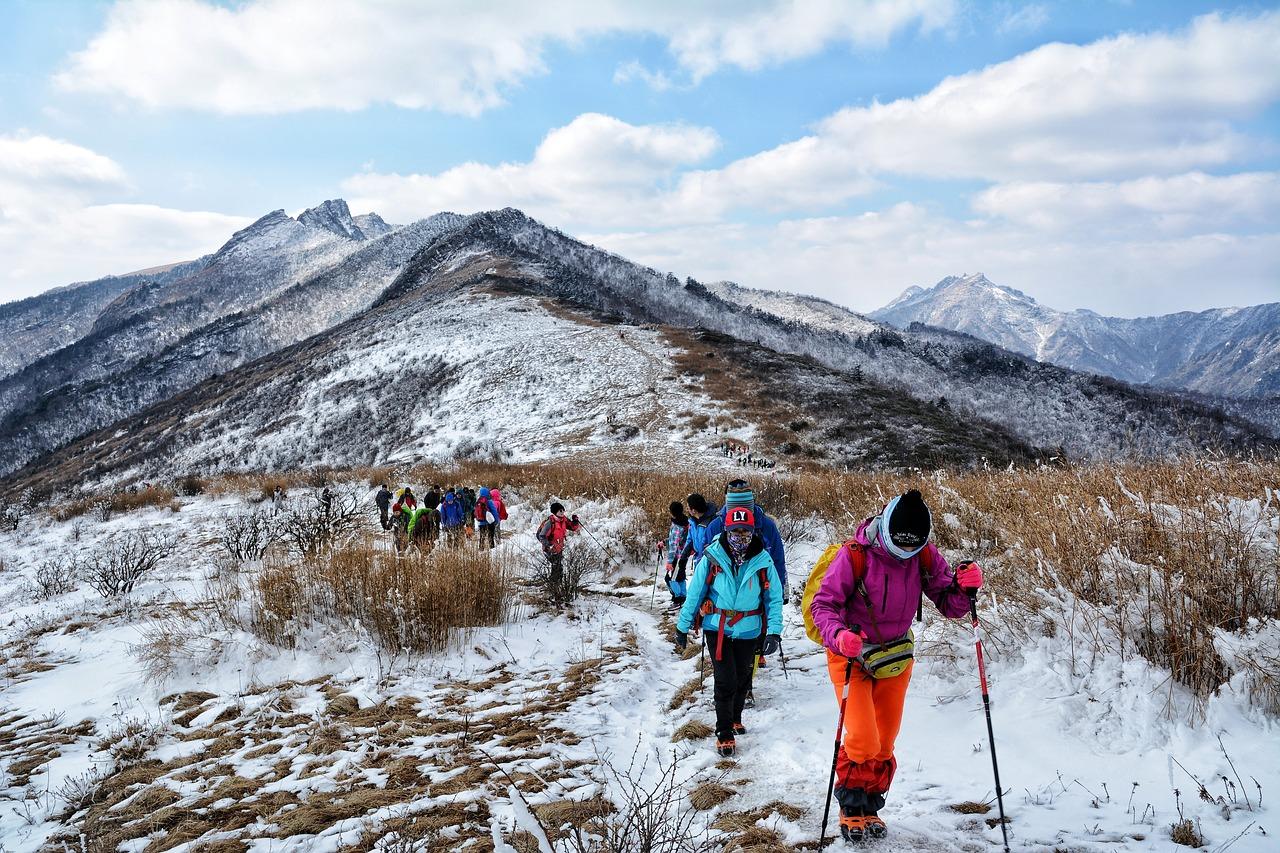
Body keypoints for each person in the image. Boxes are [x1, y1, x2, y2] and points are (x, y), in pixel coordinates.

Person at [809, 489, 982, 842]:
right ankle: (849, 804)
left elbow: (948, 605)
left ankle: (870, 805)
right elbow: (823, 606)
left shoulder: (923, 555)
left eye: (912, 547)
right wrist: (840, 635)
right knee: (861, 739)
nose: (905, 552)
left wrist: (964, 590)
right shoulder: (854, 556)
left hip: (894, 658)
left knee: (884, 742)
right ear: (886, 528)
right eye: (899, 544)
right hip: (850, 654)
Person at [674, 507, 782, 757]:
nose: (740, 536)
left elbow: (773, 598)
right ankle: (724, 732)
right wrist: (682, 625)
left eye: (746, 531)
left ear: (754, 531)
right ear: (726, 530)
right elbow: (695, 593)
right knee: (725, 679)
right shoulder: (712, 557)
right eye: (735, 531)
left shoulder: (763, 561)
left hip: (749, 629)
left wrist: (773, 631)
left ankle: (735, 717)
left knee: (744, 676)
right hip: (717, 627)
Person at [536, 502, 581, 599]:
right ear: (555, 512)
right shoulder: (550, 523)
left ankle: (555, 587)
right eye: (560, 510)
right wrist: (549, 545)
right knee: (557, 567)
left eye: (563, 510)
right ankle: (553, 588)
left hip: (559, 548)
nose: (562, 512)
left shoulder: (564, 520)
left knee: (558, 567)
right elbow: (542, 536)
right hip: (549, 549)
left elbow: (573, 527)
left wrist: (575, 521)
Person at [664, 501, 691, 606]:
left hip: (677, 557)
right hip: (684, 556)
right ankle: (683, 597)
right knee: (680, 577)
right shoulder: (686, 522)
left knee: (672, 579)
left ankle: (678, 600)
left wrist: (669, 562)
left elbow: (673, 545)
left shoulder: (677, 525)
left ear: (672, 512)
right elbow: (675, 540)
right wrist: (664, 541)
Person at [681, 493, 718, 567]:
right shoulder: (693, 522)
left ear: (694, 510)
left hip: (710, 561)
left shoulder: (712, 523)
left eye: (688, 507)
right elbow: (690, 539)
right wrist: (684, 555)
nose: (687, 509)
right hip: (698, 559)